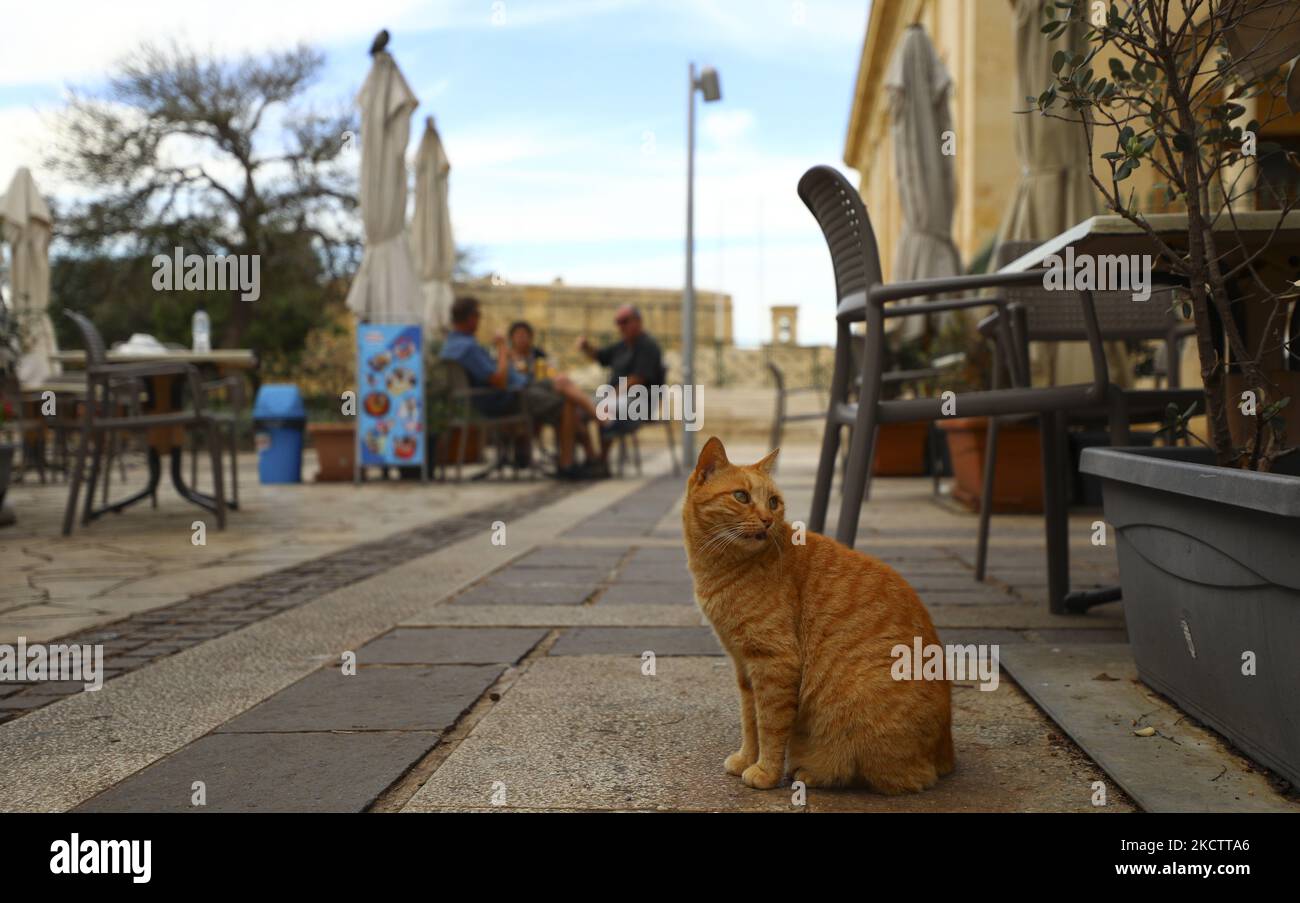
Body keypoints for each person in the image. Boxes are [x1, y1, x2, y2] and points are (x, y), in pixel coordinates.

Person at [439, 298, 593, 478]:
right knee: (566, 403)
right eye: (479, 316)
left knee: (560, 382)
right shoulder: (467, 347)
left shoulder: (451, 345)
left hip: (510, 391)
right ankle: (568, 464)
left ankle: (593, 435)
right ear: (471, 318)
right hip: (506, 399)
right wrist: (503, 349)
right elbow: (499, 381)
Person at [576, 304, 666, 464]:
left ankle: (602, 462)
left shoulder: (648, 346)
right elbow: (600, 356)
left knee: (605, 408)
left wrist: (611, 396)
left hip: (641, 402)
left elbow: (637, 379)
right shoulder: (622, 346)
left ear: (638, 321)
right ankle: (591, 457)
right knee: (575, 410)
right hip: (617, 398)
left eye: (625, 321)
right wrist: (586, 346)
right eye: (618, 322)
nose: (621, 326)